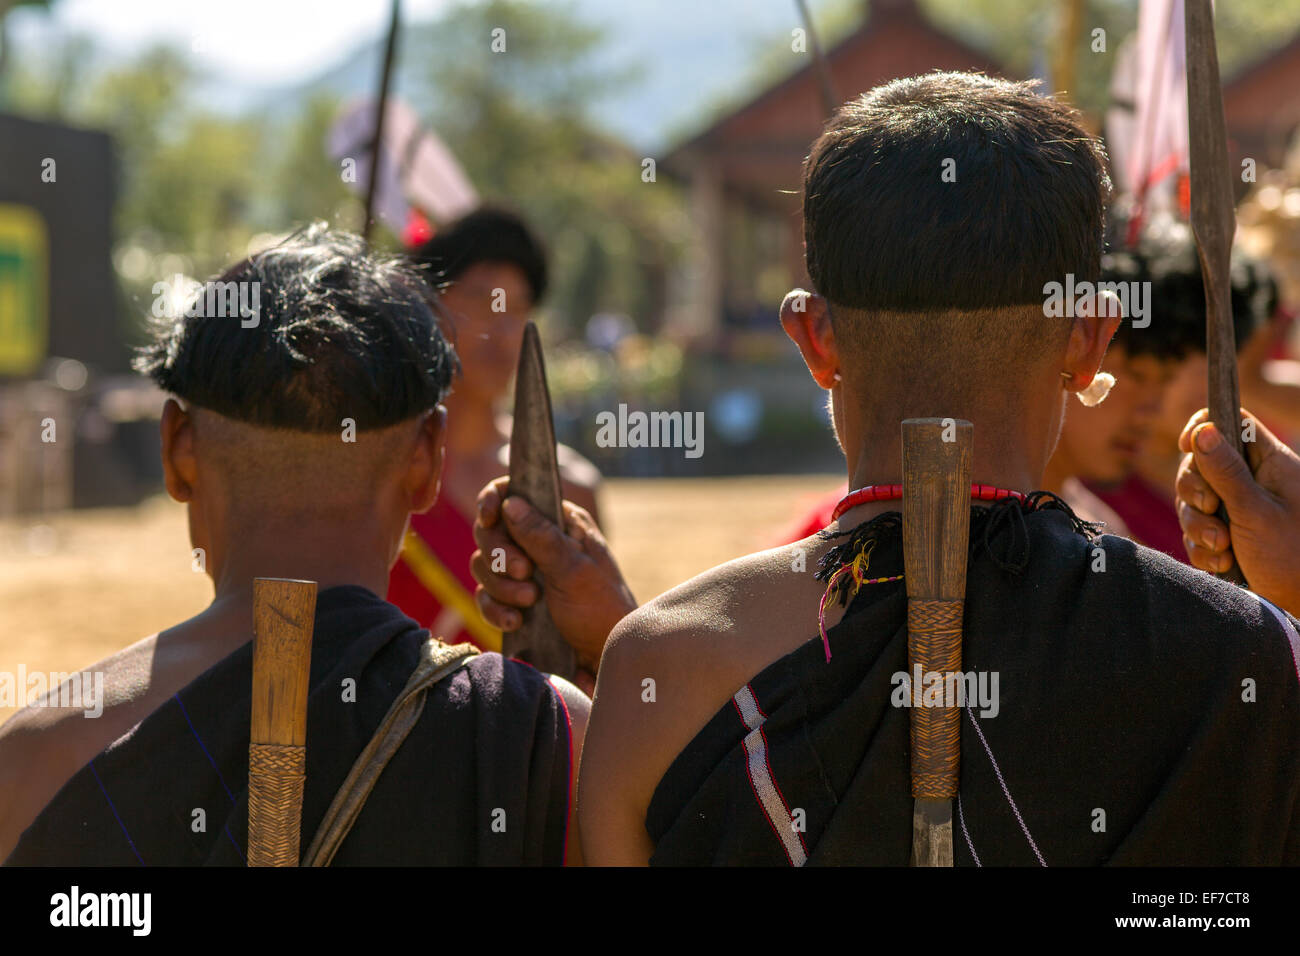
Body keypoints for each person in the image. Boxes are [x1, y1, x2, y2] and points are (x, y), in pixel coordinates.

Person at [475, 73, 1300, 865]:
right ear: (1090, 340)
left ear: (814, 340)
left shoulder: (658, 671)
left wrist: (612, 656)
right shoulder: (1244, 657)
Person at [0, 225, 587, 865]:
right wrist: (615, 643)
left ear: (176, 450)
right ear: (427, 464)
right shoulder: (546, 736)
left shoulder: (37, 759)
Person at [386, 207, 601, 660]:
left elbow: (585, 669)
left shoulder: (568, 491)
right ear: (430, 307)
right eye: (483, 300)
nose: (504, 329)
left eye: (519, 308)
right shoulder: (376, 474)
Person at [1078, 242, 1276, 558]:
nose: (1219, 384)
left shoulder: (1231, 486)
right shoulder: (1091, 501)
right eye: (1138, 375)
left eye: (1232, 365)